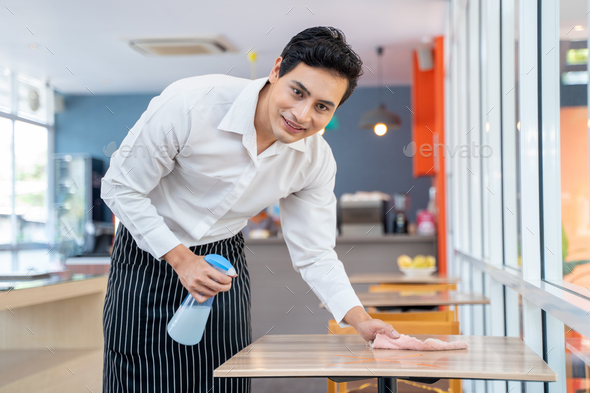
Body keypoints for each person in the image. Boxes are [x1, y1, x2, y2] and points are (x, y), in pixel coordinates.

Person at [100, 25, 400, 393]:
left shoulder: (314, 160)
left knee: (226, 376)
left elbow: (316, 253)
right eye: (297, 92)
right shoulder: (191, 103)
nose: (302, 115)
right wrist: (181, 259)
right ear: (276, 71)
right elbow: (119, 186)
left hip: (222, 261)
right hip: (147, 255)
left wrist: (361, 321)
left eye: (322, 107)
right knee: (139, 378)